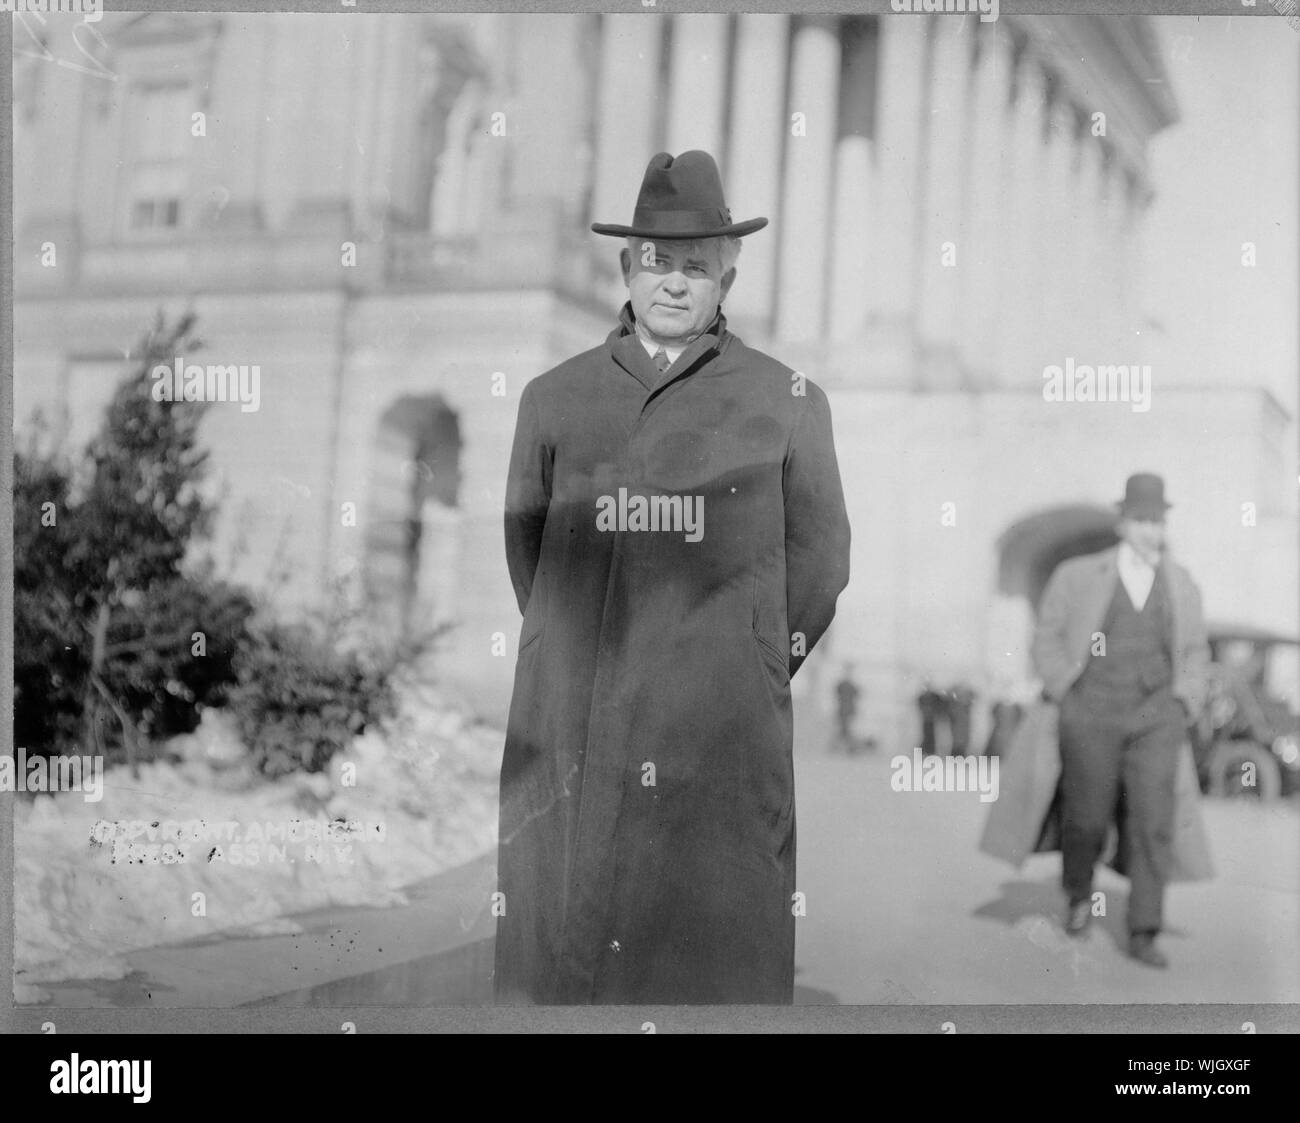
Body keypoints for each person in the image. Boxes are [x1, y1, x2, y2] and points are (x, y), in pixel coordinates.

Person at [495, 150, 852, 1004]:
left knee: (710, 950)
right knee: (571, 941)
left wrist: (755, 655)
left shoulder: (787, 399)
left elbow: (822, 557)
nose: (675, 283)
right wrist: (576, 644)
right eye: (658, 261)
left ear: (727, 277)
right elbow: (527, 543)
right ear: (627, 266)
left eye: (697, 266)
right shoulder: (556, 397)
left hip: (723, 729)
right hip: (577, 712)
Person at [1031, 473, 1209, 967]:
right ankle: (1077, 896)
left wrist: (1185, 701)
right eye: (1142, 520)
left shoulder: (1181, 582)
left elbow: (1195, 649)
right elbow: (1046, 635)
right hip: (1090, 710)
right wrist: (1064, 688)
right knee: (1085, 816)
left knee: (1154, 822)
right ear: (1122, 521)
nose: (1152, 530)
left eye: (1158, 521)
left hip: (1156, 717)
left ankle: (1144, 929)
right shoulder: (1078, 573)